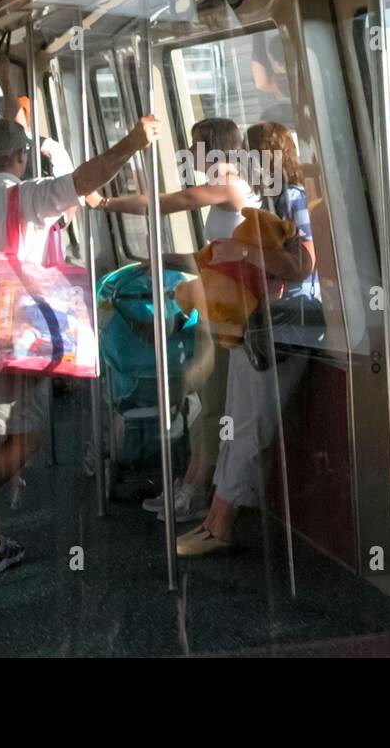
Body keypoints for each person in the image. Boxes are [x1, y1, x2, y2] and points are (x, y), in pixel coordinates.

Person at [0, 113, 161, 575]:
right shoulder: (27, 197)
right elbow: (84, 180)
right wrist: (132, 142)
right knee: (26, 439)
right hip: (6, 342)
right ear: (20, 157)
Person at [104, 117, 260, 524]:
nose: (189, 153)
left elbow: (169, 202)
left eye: (194, 145)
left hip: (233, 314)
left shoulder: (228, 182)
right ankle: (193, 481)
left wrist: (107, 204)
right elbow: (207, 256)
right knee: (204, 401)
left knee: (212, 407)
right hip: (219, 307)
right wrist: (157, 261)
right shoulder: (228, 187)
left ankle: (198, 490)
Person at [177, 121, 321, 558]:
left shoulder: (292, 200)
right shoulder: (268, 200)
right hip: (256, 320)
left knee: (247, 427)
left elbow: (302, 266)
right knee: (236, 424)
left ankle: (222, 524)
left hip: (284, 326)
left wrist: (243, 253)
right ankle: (215, 519)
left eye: (247, 154)